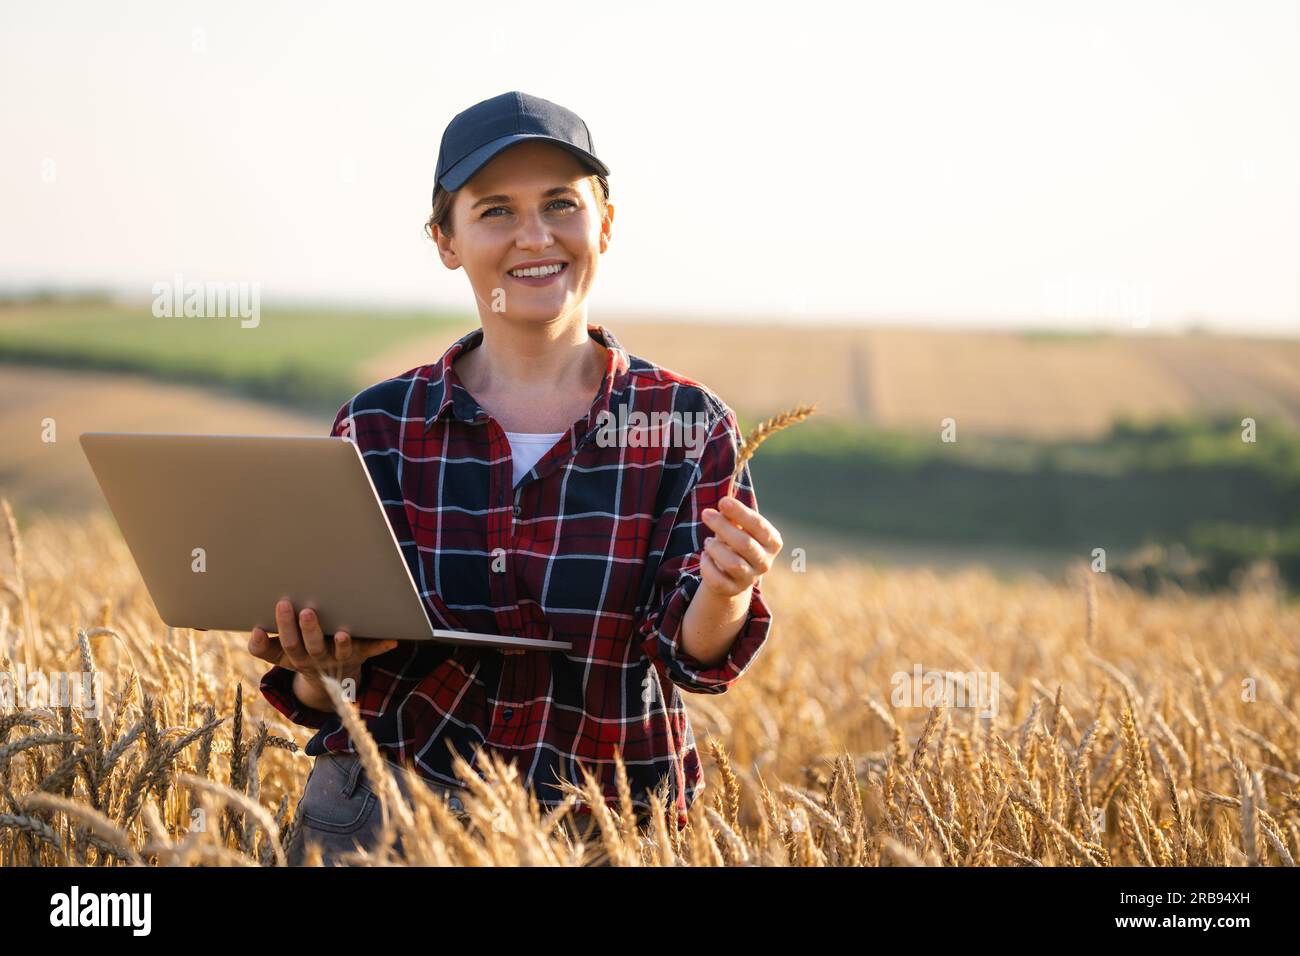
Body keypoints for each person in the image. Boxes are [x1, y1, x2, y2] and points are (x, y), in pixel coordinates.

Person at [247, 91, 782, 866]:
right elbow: (330, 692)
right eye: (495, 210)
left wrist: (726, 589)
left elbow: (689, 657)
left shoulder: (688, 425)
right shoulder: (377, 428)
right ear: (445, 240)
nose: (535, 236)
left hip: (607, 833)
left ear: (605, 223)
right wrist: (313, 669)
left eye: (561, 204)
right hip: (387, 819)